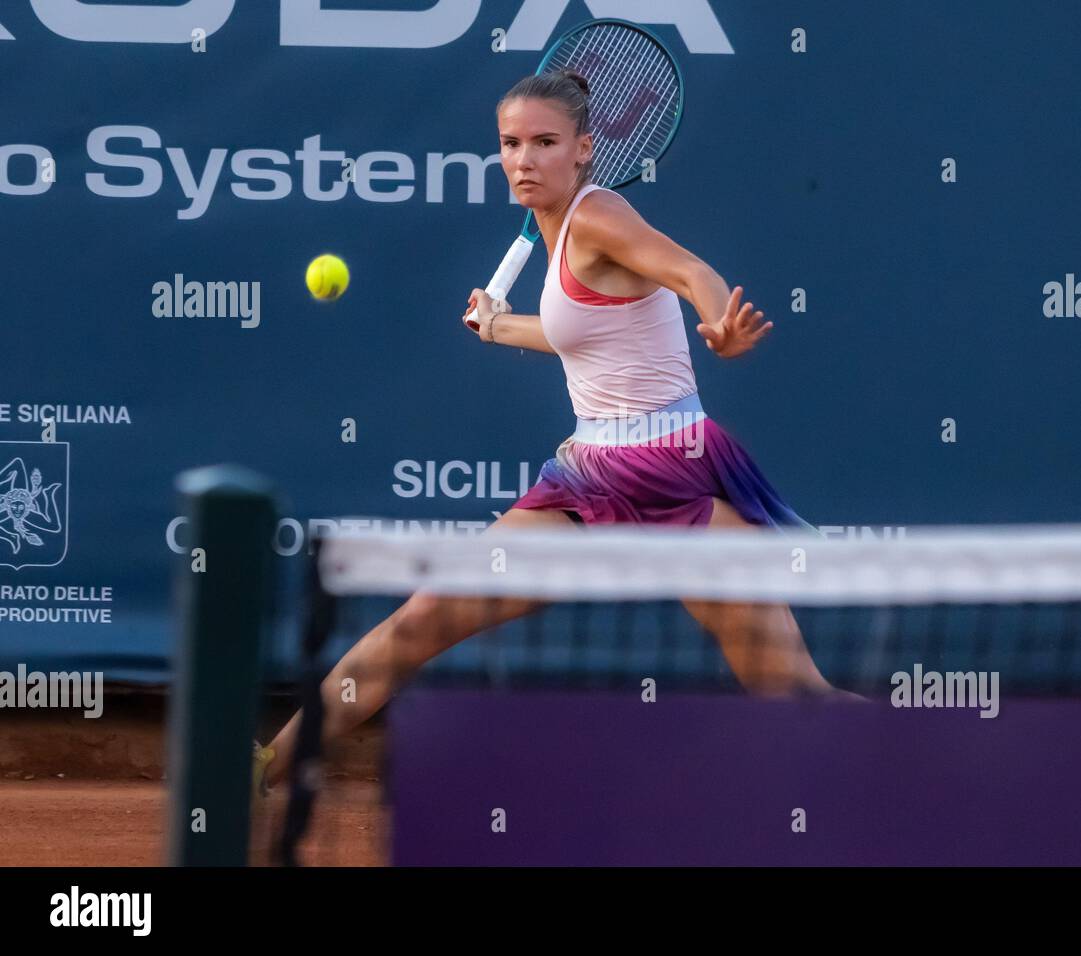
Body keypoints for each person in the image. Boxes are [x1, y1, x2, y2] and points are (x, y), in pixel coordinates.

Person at [256, 68, 839, 794]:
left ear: (585, 149)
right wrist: (500, 328)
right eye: (510, 143)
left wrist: (718, 323)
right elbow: (585, 332)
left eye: (545, 143)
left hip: (672, 475)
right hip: (587, 477)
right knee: (421, 622)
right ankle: (264, 769)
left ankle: (932, 770)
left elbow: (689, 270)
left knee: (792, 696)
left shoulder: (600, 217)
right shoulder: (556, 228)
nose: (524, 160)